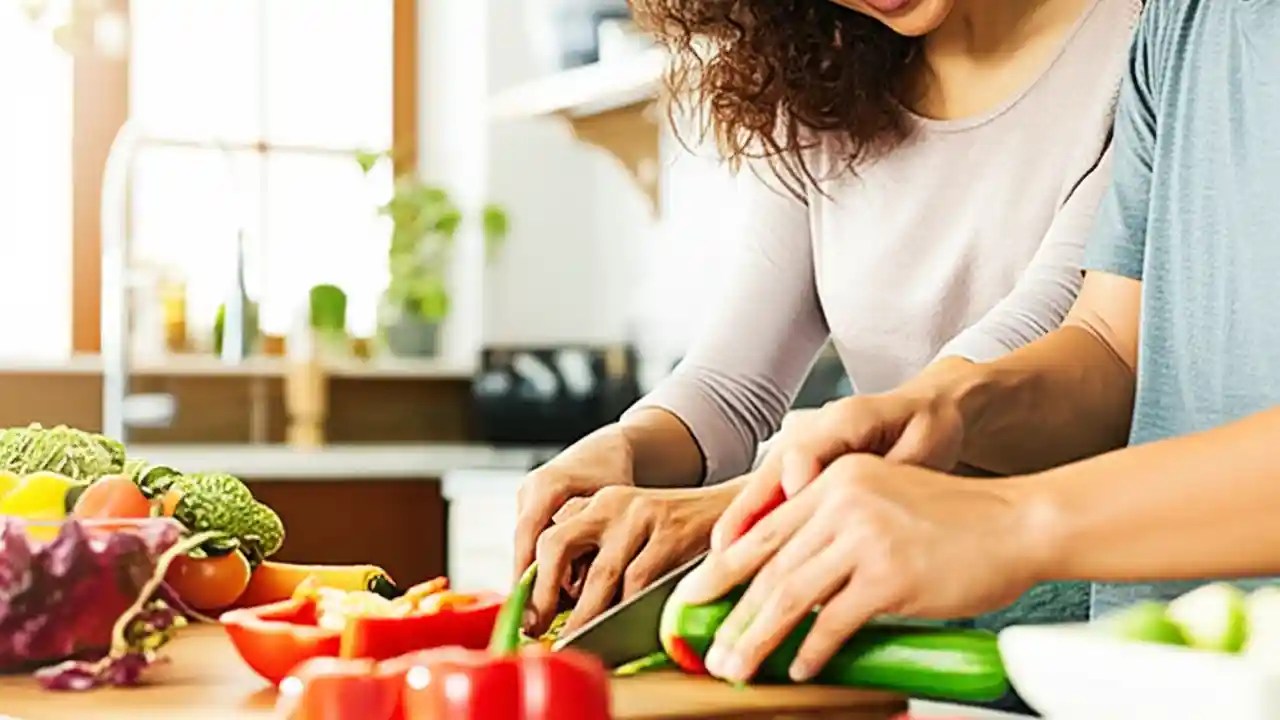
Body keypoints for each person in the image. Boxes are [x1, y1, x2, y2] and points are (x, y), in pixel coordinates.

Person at [672, 0, 1280, 686]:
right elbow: (1110, 342)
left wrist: (1011, 525)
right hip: (1163, 664)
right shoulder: (1184, 20)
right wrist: (949, 408)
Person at [516, 0, 1143, 636]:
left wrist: (734, 508)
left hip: (1088, 603)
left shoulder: (1148, 44)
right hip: (894, 595)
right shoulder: (823, 77)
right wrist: (628, 445)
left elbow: (1049, 333)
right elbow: (729, 387)